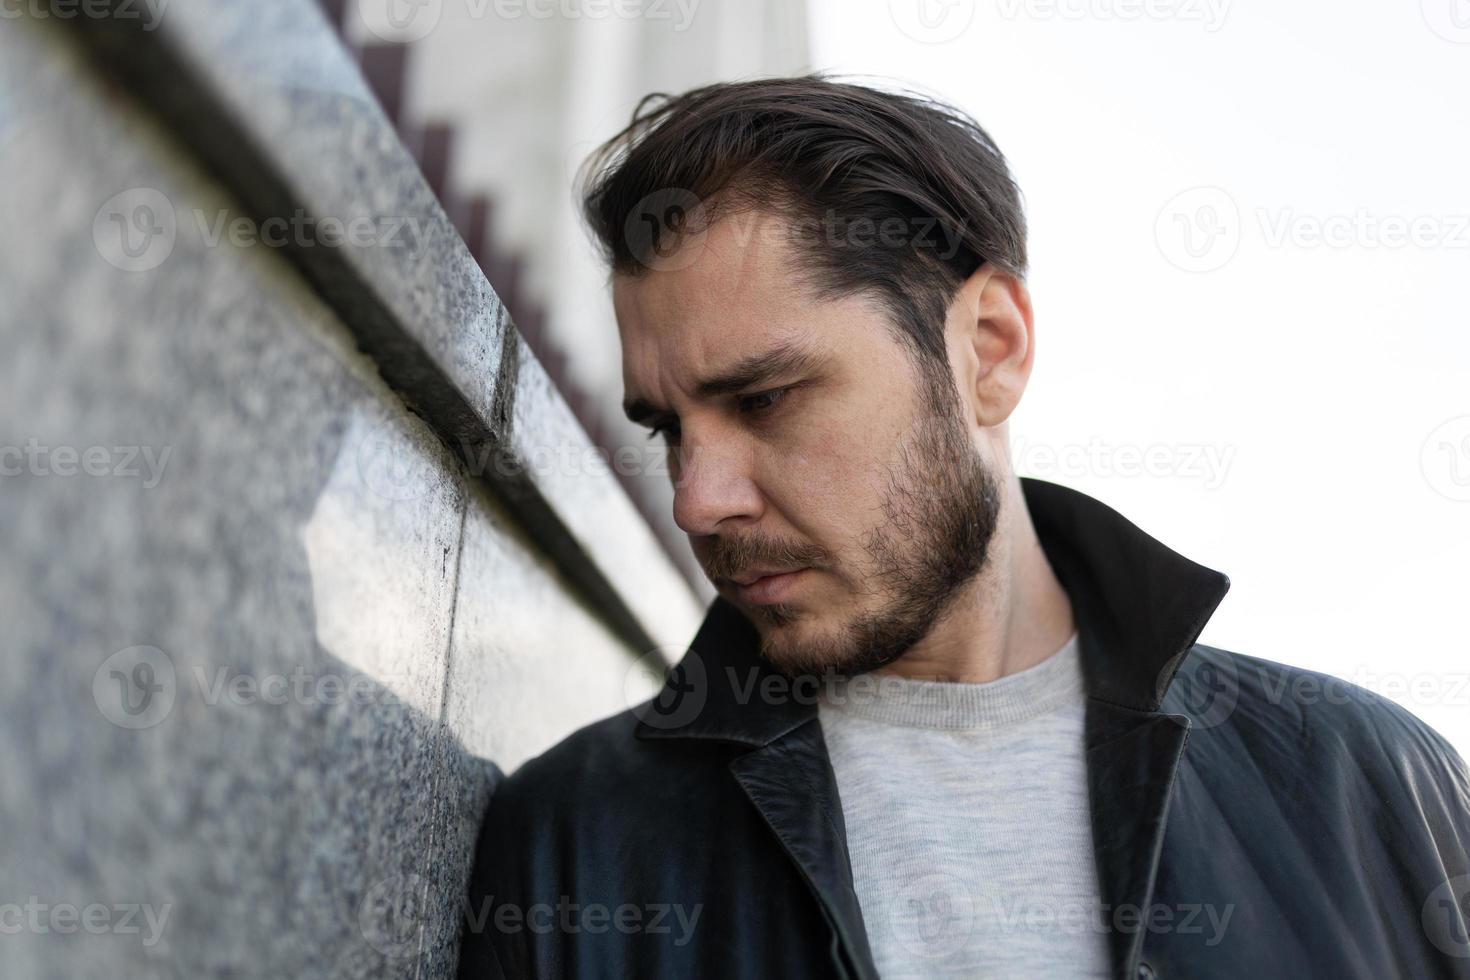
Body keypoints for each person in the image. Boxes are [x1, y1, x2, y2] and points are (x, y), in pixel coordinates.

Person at [457, 74, 1470, 979]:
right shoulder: (573, 847)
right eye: (671, 428)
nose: (697, 497)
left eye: (763, 399)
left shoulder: (1369, 787)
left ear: (989, 348)